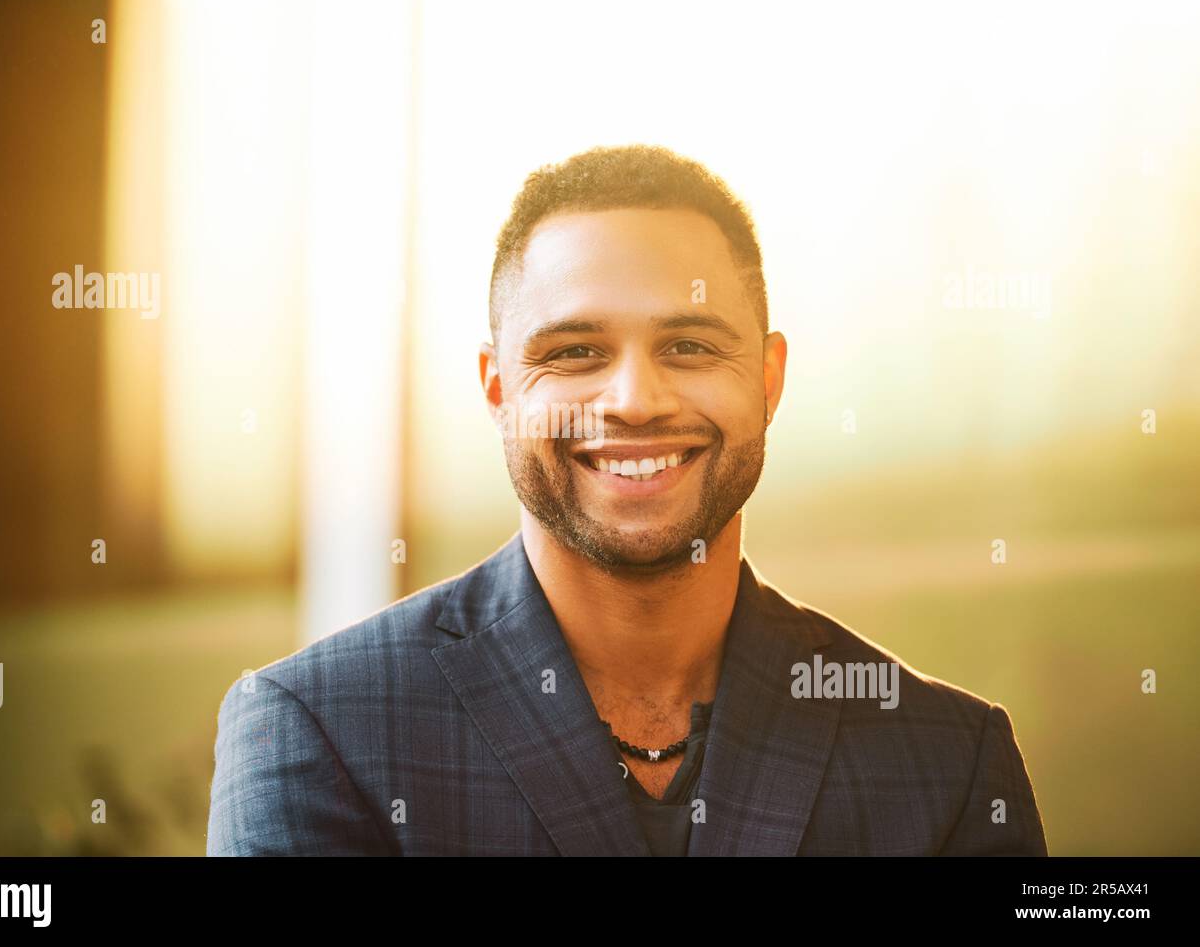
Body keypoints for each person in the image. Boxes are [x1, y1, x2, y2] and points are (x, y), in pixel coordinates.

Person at [207, 144, 1047, 856]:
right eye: (575, 351)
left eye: (687, 344)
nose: (635, 400)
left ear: (768, 378)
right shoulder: (316, 731)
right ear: (499, 391)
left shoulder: (946, 759)